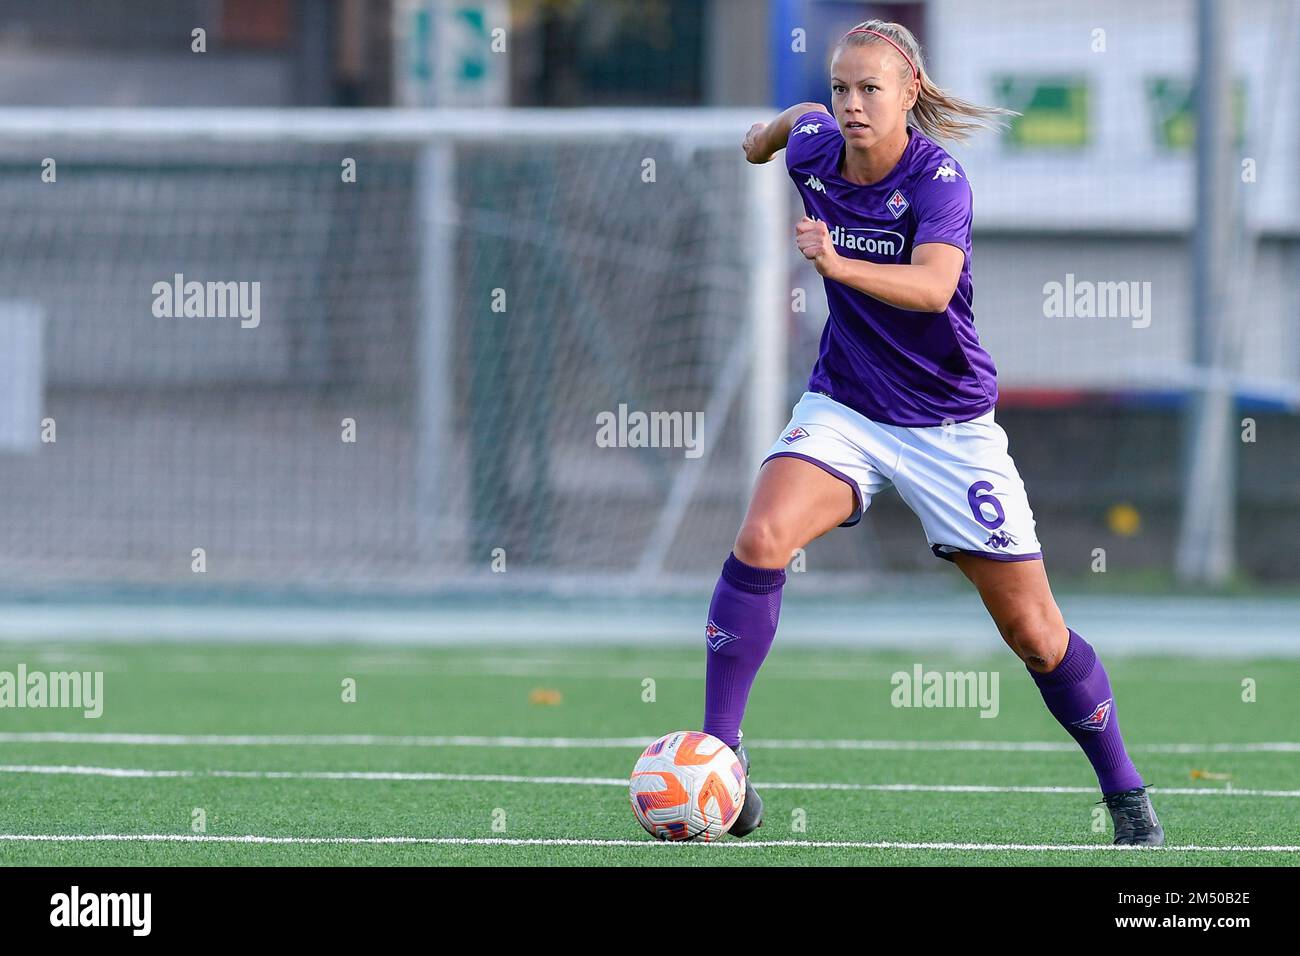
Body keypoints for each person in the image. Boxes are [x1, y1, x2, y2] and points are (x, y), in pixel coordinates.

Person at [703, 19, 1163, 846]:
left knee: (1034, 632)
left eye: (869, 89)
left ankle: (1126, 793)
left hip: (950, 428)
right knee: (764, 535)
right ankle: (721, 765)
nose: (851, 105)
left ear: (910, 92)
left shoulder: (938, 179)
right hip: (844, 407)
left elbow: (929, 286)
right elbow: (790, 122)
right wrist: (758, 141)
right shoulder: (815, 141)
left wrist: (837, 262)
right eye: (843, 88)